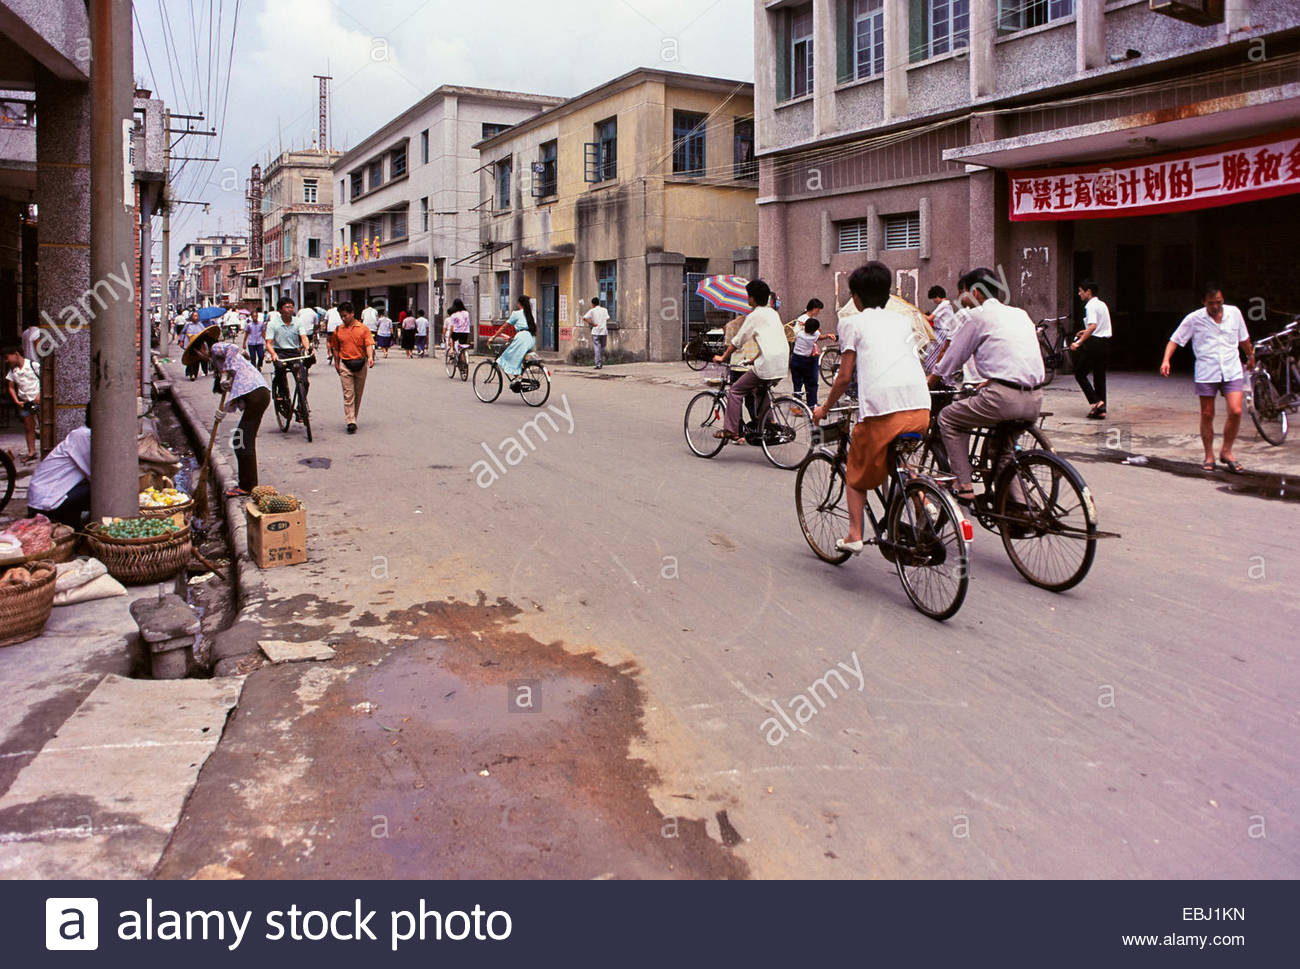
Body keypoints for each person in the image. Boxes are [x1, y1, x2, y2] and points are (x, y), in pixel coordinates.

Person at [813, 263, 930, 554]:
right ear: (887, 294)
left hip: (883, 411)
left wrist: (825, 408)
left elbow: (843, 377)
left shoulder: (852, 323)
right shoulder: (902, 321)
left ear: (856, 297)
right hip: (920, 407)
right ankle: (924, 502)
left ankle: (854, 535)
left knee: (855, 472)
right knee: (898, 460)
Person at [928, 267, 1046, 507]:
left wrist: (927, 384)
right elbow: (1017, 356)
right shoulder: (1021, 314)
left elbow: (950, 361)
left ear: (975, 292)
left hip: (1003, 399)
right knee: (1001, 451)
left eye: (963, 294)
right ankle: (1020, 506)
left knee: (948, 419)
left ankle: (964, 486)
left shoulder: (977, 316)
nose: (962, 301)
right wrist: (991, 379)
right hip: (1035, 398)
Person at [1160, 282, 1254, 474]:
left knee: (1236, 411)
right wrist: (1166, 360)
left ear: (1223, 300)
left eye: (1218, 302)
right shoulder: (1194, 319)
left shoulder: (1234, 313)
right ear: (1204, 302)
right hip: (1207, 371)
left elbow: (1243, 339)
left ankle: (1226, 451)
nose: (1215, 307)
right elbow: (1175, 340)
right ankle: (1209, 455)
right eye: (1211, 303)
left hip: (1232, 368)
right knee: (1207, 414)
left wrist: (1250, 356)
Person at [184, 325, 271, 498]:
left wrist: (225, 373)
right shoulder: (216, 360)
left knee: (242, 440)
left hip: (256, 393)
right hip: (255, 395)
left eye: (198, 353)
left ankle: (247, 485)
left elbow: (233, 347)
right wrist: (222, 411)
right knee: (241, 439)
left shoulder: (217, 348)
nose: (200, 357)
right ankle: (247, 483)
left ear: (203, 347)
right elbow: (225, 388)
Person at [712, 280, 789, 443]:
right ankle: (768, 424)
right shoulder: (773, 313)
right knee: (760, 391)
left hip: (766, 365)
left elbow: (738, 340)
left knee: (735, 391)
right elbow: (771, 340)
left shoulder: (754, 316)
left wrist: (722, 357)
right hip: (781, 363)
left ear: (751, 298)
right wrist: (754, 359)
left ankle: (731, 430)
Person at [26, 404, 92, 527]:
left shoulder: (84, 434)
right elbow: (97, 476)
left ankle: (76, 523)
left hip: (45, 499)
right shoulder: (84, 436)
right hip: (45, 504)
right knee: (103, 490)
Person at [328, 301, 375, 434]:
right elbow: (336, 349)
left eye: (345, 315)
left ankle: (354, 417)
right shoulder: (338, 330)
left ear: (352, 313)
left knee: (358, 393)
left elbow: (368, 344)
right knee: (348, 394)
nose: (343, 318)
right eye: (341, 316)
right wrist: (337, 363)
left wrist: (370, 357)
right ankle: (350, 421)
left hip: (360, 364)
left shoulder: (363, 328)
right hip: (345, 365)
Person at [1071, 279, 1112, 420]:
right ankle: (1101, 409)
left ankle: (1096, 401)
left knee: (1079, 373)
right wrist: (1085, 331)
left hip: (1094, 343)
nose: (1079, 294)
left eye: (1080, 291)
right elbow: (1099, 326)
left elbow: (1093, 326)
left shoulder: (1090, 306)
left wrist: (1079, 342)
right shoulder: (1102, 305)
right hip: (1105, 342)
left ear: (1088, 292)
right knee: (1099, 375)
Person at [267, 297, 310, 403]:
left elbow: (303, 337)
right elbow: (269, 343)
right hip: (280, 353)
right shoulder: (273, 324)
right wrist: (273, 354)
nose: (290, 309)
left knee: (304, 382)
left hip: (294, 353)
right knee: (280, 368)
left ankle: (301, 407)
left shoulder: (298, 322)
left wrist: (307, 348)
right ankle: (282, 392)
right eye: (287, 307)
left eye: (291, 307)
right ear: (280, 309)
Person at [3, 345, 40, 462]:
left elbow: (44, 379)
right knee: (29, 427)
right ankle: (31, 451)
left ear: (16, 354)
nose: (6, 360)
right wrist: (16, 400)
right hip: (25, 402)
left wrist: (39, 395)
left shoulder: (33, 365)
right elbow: (11, 387)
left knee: (44, 426)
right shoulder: (13, 370)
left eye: (7, 357)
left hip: (37, 400)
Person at [498, 296, 537, 385]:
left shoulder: (516, 313)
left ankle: (518, 376)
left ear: (519, 304)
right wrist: (511, 338)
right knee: (518, 356)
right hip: (531, 339)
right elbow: (524, 330)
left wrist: (493, 337)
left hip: (522, 339)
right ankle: (519, 375)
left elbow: (504, 326)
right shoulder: (529, 314)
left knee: (507, 355)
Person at [789, 316, 822, 408]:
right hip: (807, 361)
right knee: (811, 384)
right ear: (813, 331)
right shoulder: (814, 336)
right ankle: (812, 405)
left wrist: (804, 324)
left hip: (795, 360)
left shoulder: (799, 334)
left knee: (797, 384)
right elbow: (820, 334)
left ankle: (797, 405)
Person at [583, 297, 610, 369]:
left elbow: (584, 318)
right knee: (602, 347)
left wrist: (592, 323)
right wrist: (603, 322)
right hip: (604, 331)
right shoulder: (605, 310)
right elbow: (608, 318)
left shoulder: (592, 311)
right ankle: (600, 361)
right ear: (598, 303)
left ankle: (598, 363)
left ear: (593, 304)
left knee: (597, 347)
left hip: (595, 331)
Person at [181, 311, 209, 380]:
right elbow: (183, 333)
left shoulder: (200, 324)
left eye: (197, 316)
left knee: (199, 359)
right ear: (192, 317)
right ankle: (192, 374)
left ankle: (196, 373)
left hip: (199, 344)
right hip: (190, 344)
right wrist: (181, 341)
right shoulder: (188, 325)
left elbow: (203, 331)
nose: (196, 317)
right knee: (191, 359)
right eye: (194, 316)